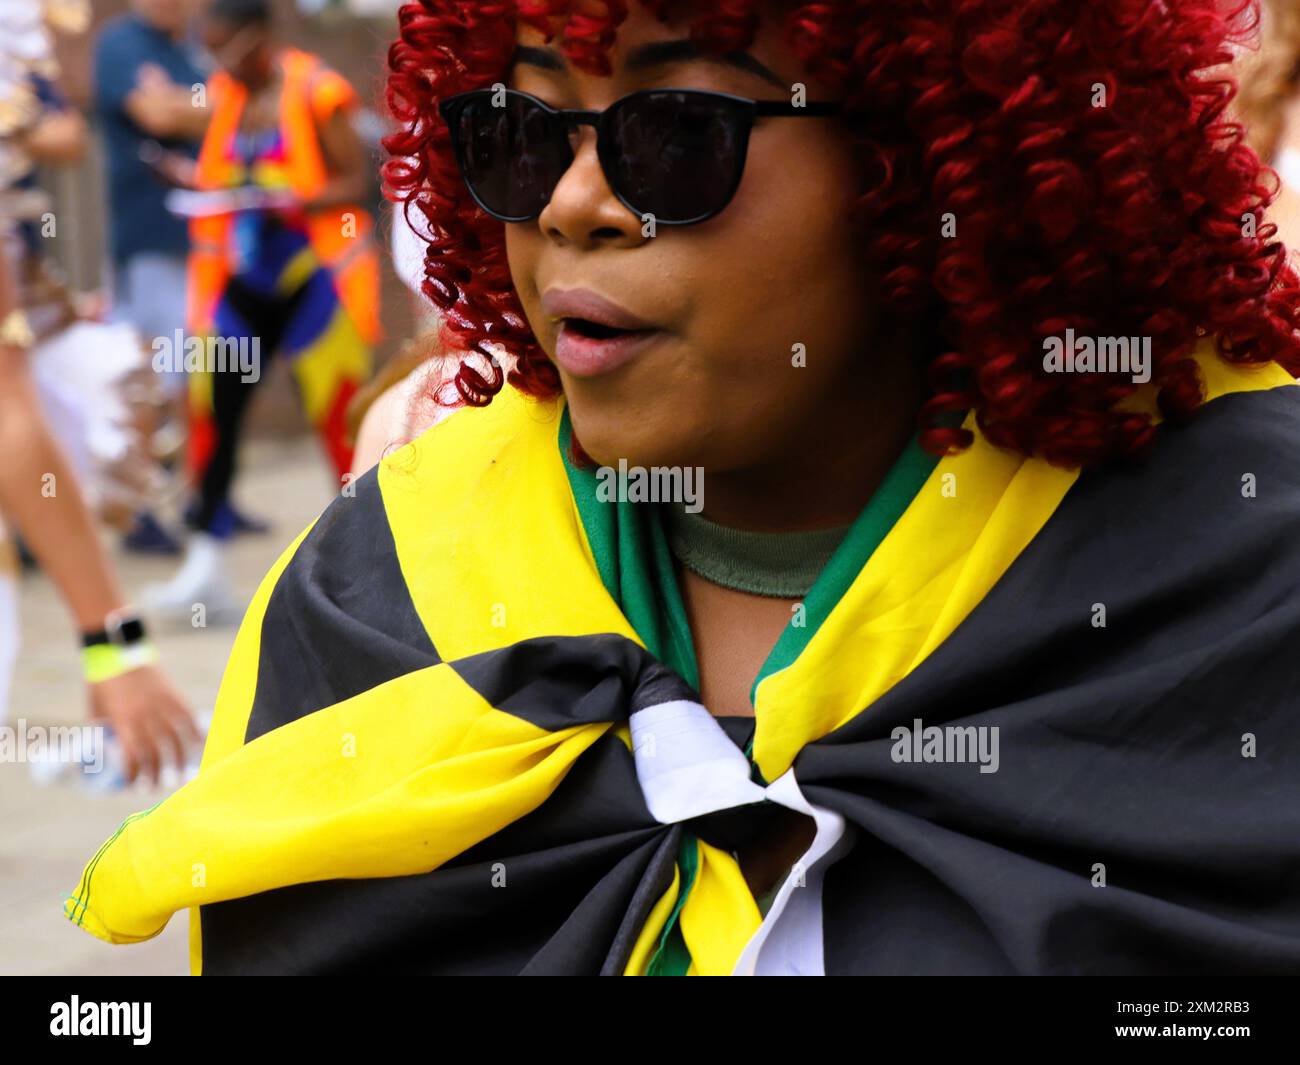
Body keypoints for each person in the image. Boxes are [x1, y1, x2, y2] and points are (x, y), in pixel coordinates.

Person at [66, 0, 1300, 975]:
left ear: (929, 163)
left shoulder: (1247, 564)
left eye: (677, 132)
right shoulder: (378, 593)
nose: (573, 203)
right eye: (521, 132)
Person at [142, 0, 379, 615]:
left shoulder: (318, 91)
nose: (219, 62)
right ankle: (204, 564)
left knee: (338, 423)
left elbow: (358, 182)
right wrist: (201, 184)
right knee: (213, 417)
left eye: (228, 47)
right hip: (239, 288)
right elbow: (204, 151)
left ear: (260, 37)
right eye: (211, 48)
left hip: (314, 282)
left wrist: (291, 197)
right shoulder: (223, 95)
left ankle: (368, 567)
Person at [94, 0, 210, 555]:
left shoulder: (189, 48)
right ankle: (135, 512)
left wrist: (185, 101)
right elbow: (158, 117)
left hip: (199, 240)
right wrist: (195, 105)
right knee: (146, 380)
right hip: (148, 242)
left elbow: (235, 112)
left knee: (195, 377)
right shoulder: (121, 43)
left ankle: (200, 503)